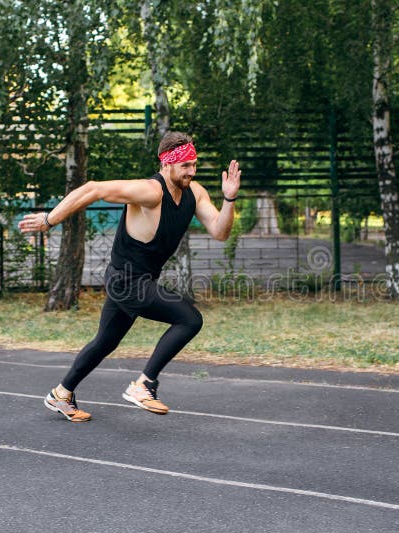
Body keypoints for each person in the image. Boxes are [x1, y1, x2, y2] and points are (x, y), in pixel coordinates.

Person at [18, 131, 240, 422]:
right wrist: (49, 220)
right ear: (167, 164)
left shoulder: (195, 193)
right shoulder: (150, 191)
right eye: (185, 165)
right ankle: (144, 385)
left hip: (139, 280)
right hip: (126, 281)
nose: (191, 171)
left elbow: (221, 232)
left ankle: (62, 393)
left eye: (194, 164)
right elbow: (93, 189)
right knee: (189, 319)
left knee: (105, 342)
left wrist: (229, 198)